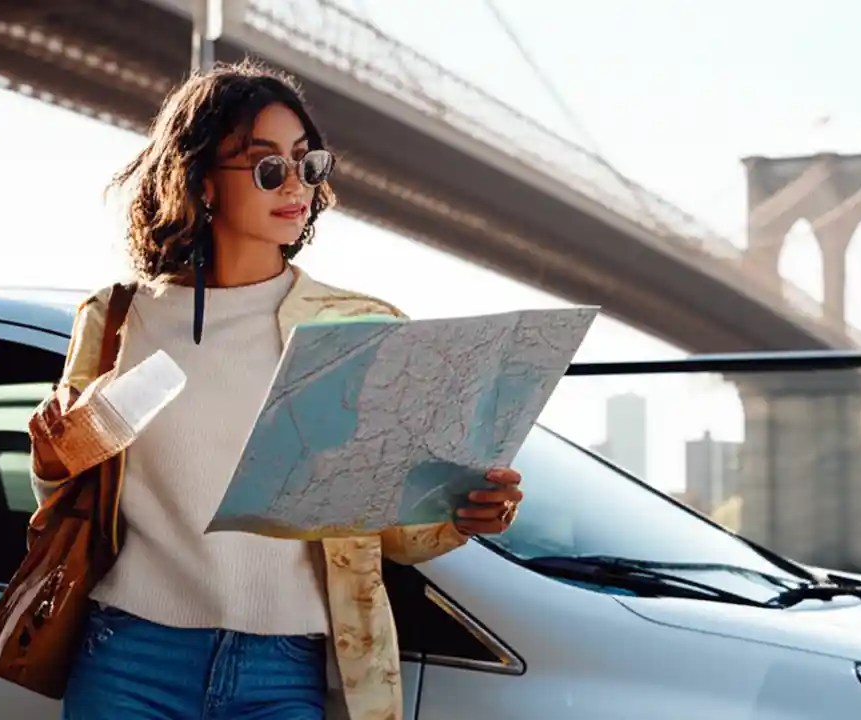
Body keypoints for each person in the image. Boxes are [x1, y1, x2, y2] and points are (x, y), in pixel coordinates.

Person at [28, 59, 524, 720]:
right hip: (129, 658)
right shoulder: (116, 319)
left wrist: (464, 513)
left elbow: (396, 532)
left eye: (306, 162)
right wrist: (49, 462)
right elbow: (69, 494)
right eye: (267, 167)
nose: (296, 185)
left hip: (284, 671)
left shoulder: (358, 328)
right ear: (202, 180)